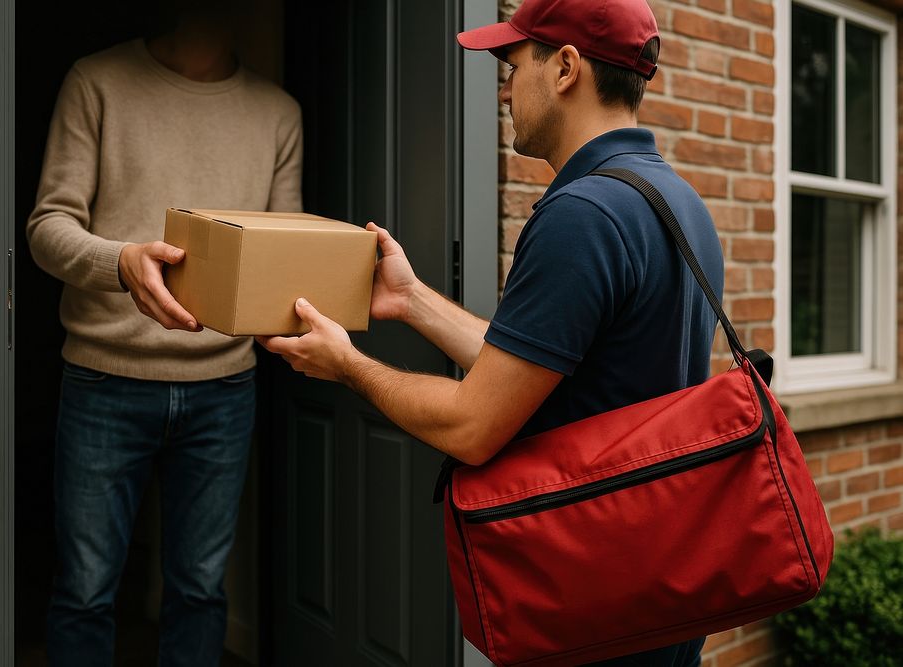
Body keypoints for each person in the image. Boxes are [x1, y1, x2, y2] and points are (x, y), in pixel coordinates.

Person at [257, 0, 719, 664]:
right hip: (657, 585)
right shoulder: (675, 200)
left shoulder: (583, 214)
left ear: (566, 68)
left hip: (591, 603)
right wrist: (413, 300)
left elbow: (473, 424)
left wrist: (348, 364)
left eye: (512, 67)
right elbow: (538, 372)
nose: (504, 92)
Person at [25, 1, 302, 663]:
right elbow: (46, 227)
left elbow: (286, 243)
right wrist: (120, 261)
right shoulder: (96, 81)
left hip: (224, 388)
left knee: (200, 589)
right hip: (103, 378)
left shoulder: (278, 112)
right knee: (85, 590)